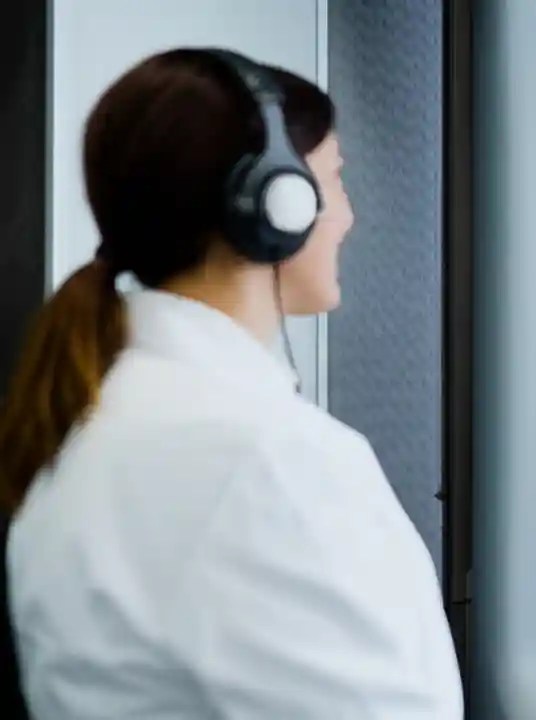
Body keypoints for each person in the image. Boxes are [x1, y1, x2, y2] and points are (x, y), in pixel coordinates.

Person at [0, 48, 464, 718]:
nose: (348, 217)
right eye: (334, 180)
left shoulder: (82, 423)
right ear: (277, 202)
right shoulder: (266, 457)